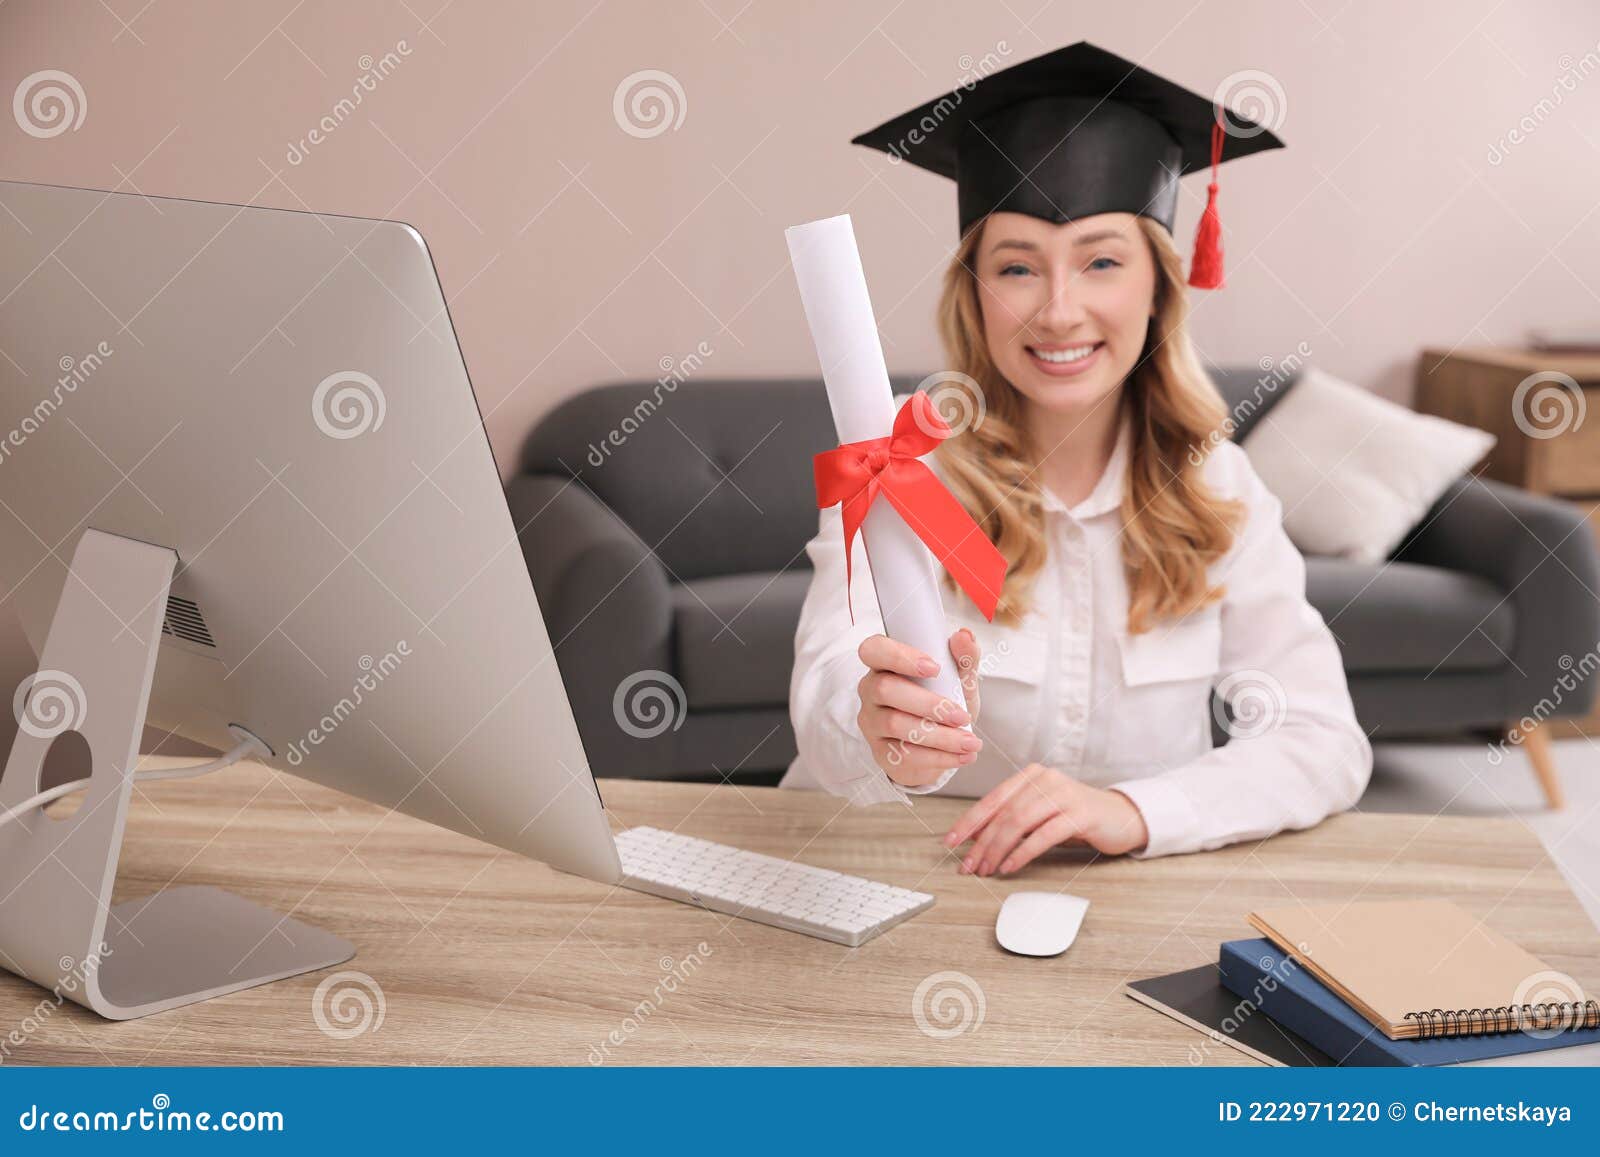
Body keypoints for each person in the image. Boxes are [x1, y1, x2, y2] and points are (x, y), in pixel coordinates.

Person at [781, 42, 1372, 872]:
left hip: (1119, 904)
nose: (1059, 312)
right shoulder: (903, 469)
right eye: (1017, 267)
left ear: (1159, 285)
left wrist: (1133, 810)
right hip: (891, 878)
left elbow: (1321, 738)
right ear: (974, 293)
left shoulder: (1216, 487)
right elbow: (825, 684)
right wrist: (876, 731)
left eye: (1101, 261)